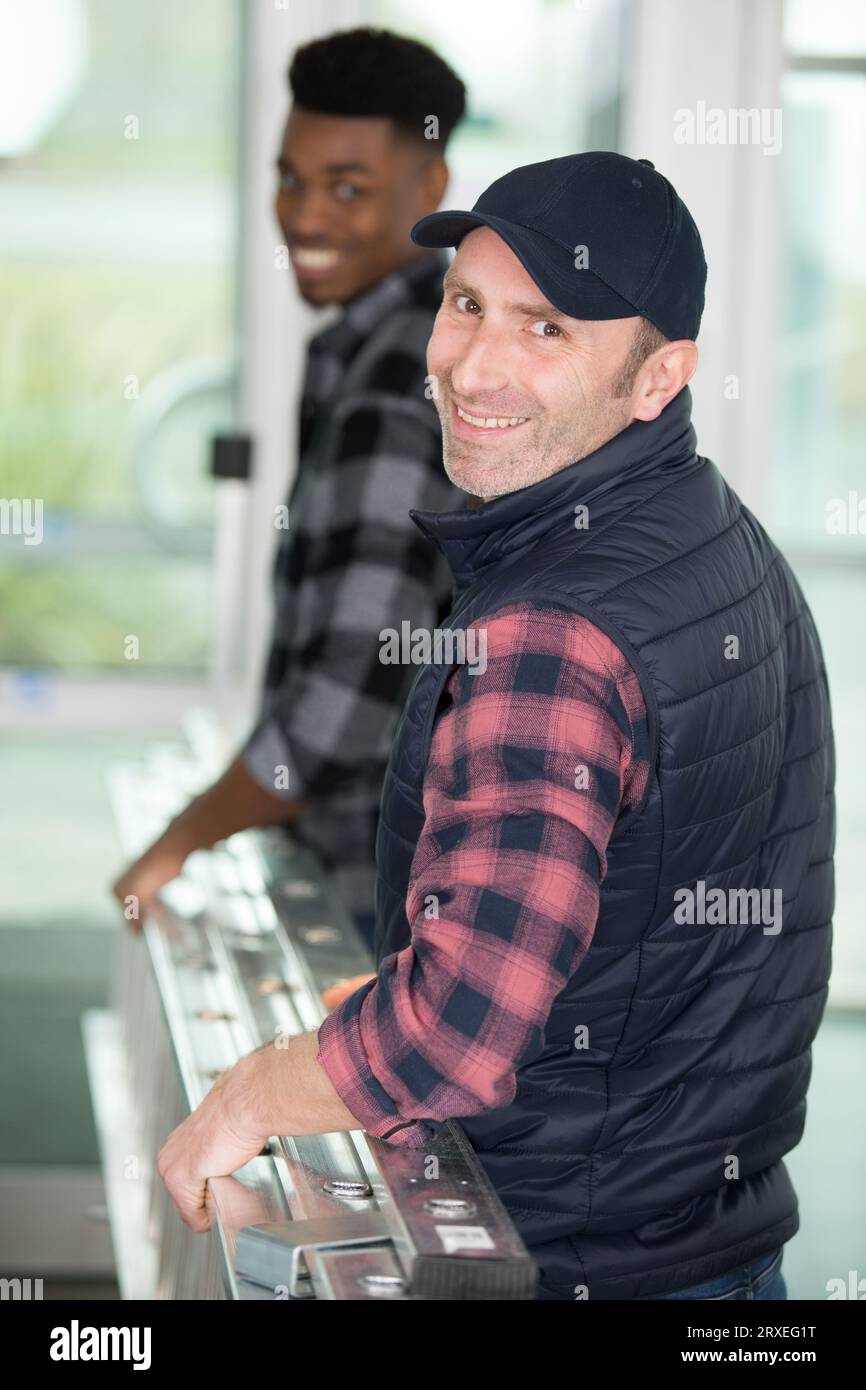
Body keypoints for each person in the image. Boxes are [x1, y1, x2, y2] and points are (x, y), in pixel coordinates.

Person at [154, 152, 834, 1303]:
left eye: (546, 328)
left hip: (574, 1259)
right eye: (465, 304)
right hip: (710, 1244)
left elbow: (454, 1035)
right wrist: (408, 985)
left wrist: (248, 1096)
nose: (471, 364)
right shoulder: (712, 535)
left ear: (657, 374)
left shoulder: (551, 629)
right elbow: (630, 919)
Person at [113, 29, 467, 950]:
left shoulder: (401, 378)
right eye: (290, 179)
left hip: (382, 897)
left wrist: (177, 842)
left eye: (348, 188)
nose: (306, 217)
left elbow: (343, 699)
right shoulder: (385, 347)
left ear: (429, 192)